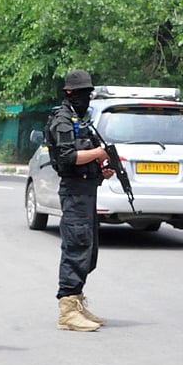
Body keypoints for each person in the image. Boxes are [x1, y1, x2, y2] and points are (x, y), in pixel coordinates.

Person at [44, 69, 116, 331]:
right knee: (76, 250)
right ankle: (67, 311)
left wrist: (101, 170)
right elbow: (67, 158)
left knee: (88, 252)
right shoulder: (63, 120)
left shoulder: (80, 119)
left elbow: (84, 157)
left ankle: (77, 302)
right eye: (83, 93)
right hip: (74, 193)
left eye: (90, 93)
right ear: (70, 93)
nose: (87, 98)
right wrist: (98, 153)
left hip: (86, 191)